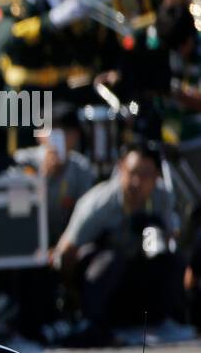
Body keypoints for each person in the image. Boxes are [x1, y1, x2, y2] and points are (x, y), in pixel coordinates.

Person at [53, 143, 192, 342]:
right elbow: (65, 253)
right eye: (132, 172)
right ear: (120, 169)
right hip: (96, 278)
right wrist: (71, 298)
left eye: (146, 175)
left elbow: (170, 240)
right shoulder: (99, 204)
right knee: (110, 261)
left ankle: (159, 319)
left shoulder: (162, 198)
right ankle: (92, 322)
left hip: (133, 275)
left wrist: (156, 230)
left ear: (156, 177)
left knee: (173, 261)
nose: (137, 181)